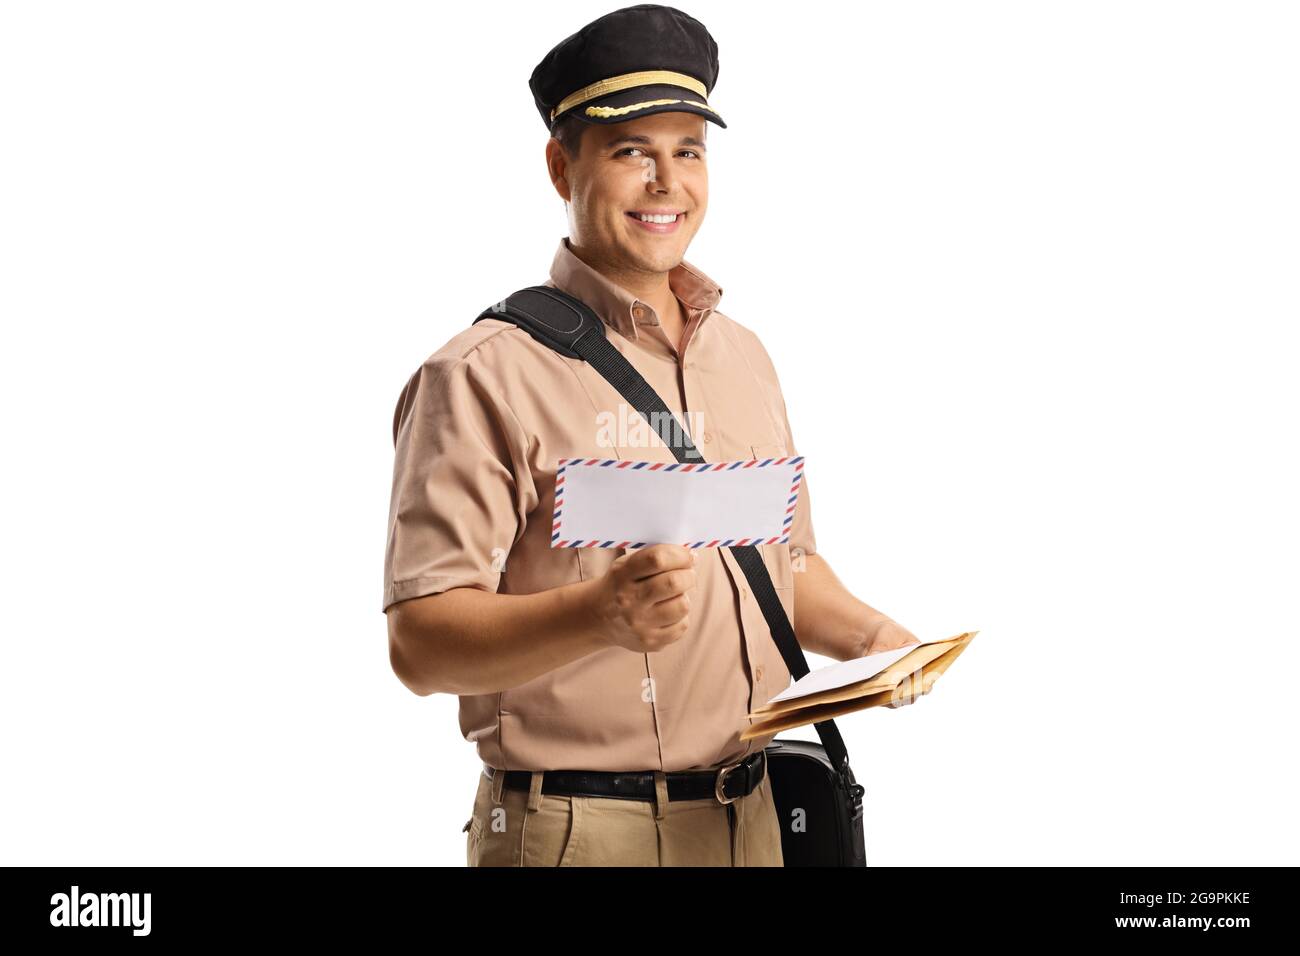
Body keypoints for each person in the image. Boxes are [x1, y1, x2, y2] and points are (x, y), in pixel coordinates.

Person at [382, 3, 920, 867]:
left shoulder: (743, 358)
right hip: (578, 836)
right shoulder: (481, 374)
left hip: (750, 820)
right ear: (562, 166)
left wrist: (875, 641)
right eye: (633, 151)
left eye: (689, 151)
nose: (667, 183)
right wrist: (599, 613)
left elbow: (784, 564)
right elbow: (420, 641)